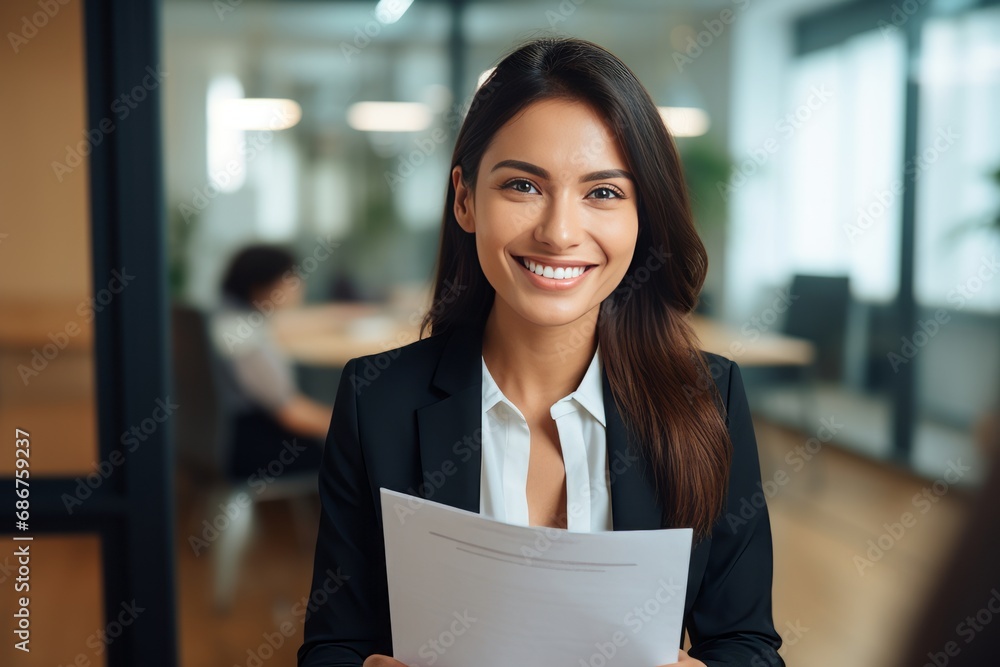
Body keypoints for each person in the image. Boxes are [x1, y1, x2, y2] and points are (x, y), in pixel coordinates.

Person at [298, 37, 783, 667]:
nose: (558, 233)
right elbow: (333, 645)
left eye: (604, 192)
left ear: (644, 216)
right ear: (466, 199)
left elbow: (747, 645)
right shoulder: (377, 400)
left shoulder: (709, 399)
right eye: (523, 185)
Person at [210, 244, 331, 479]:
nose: (299, 286)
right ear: (260, 287)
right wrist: (354, 425)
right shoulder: (245, 338)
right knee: (346, 453)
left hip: (219, 439)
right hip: (251, 448)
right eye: (291, 279)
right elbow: (291, 413)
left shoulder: (224, 318)